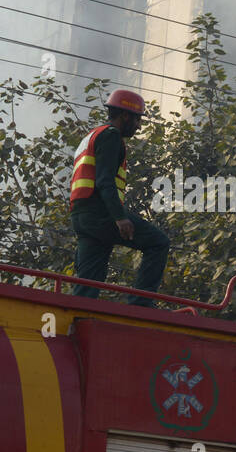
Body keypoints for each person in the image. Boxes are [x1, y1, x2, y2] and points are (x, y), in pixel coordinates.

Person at [68, 88, 170, 306]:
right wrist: (119, 217)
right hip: (100, 214)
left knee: (88, 284)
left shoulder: (91, 136)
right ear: (125, 115)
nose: (138, 126)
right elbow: (104, 181)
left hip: (81, 218)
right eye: (137, 119)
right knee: (159, 243)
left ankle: (76, 319)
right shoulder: (111, 136)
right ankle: (141, 303)